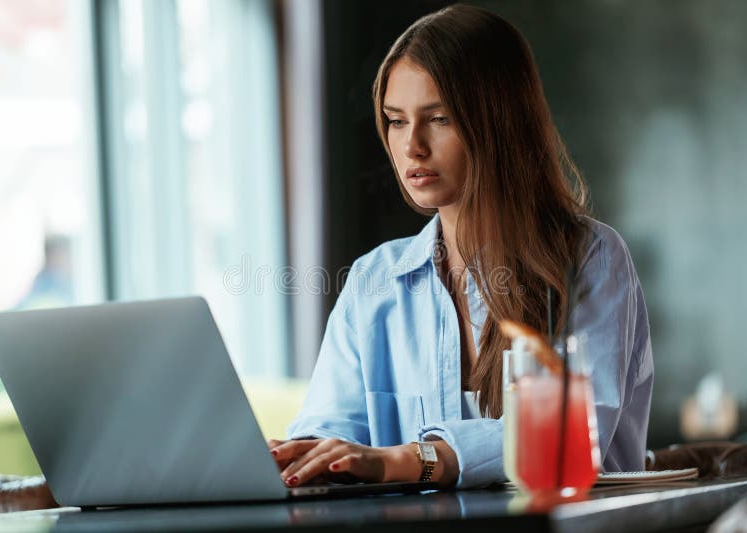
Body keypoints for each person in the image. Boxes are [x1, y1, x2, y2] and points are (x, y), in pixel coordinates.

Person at [268, 3, 653, 489]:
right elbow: (332, 438)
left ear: (498, 122)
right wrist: (301, 455)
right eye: (396, 120)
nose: (412, 147)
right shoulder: (372, 281)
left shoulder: (592, 257)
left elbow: (570, 438)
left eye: (439, 118)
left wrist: (411, 459)